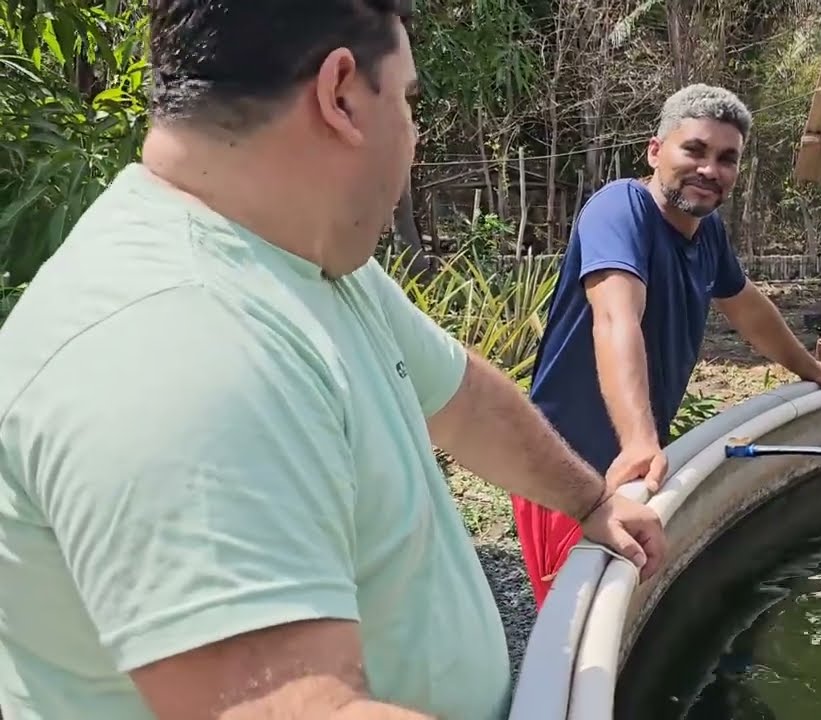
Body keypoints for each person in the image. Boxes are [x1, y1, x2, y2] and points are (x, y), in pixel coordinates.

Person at [0, 3, 665, 720]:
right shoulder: (176, 346)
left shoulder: (298, 258)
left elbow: (462, 398)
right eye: (407, 101)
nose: (413, 135)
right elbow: (295, 709)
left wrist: (590, 501)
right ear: (341, 94)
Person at [513, 83, 821, 607]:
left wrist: (812, 369)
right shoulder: (619, 211)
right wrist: (638, 440)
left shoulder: (706, 232)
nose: (709, 169)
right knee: (575, 616)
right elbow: (616, 318)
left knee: (630, 604)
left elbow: (746, 307)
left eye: (726, 159)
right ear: (655, 151)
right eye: (694, 150)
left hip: (628, 461)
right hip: (567, 464)